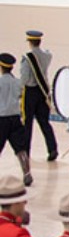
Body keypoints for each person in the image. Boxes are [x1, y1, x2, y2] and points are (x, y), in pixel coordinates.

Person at [19, 30, 58, 161]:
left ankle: (26, 152)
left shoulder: (27, 58)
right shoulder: (47, 56)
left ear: (30, 42)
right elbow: (48, 54)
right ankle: (52, 149)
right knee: (44, 122)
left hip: (30, 92)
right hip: (43, 92)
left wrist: (18, 93)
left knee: (27, 124)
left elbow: (24, 78)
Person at [0, 53, 32, 186]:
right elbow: (20, 96)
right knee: (21, 149)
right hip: (15, 118)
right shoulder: (18, 83)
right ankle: (27, 174)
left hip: (1, 119)